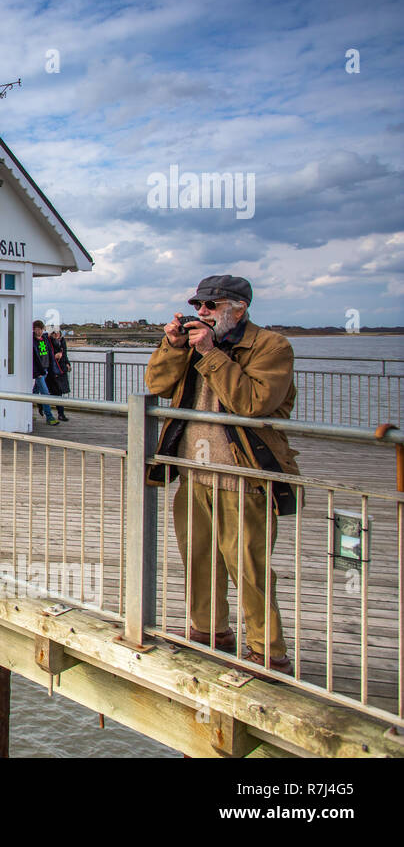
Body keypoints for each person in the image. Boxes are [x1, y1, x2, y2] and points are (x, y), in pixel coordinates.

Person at [144, 275, 299, 677]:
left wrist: (211, 353)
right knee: (197, 559)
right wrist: (173, 348)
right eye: (197, 307)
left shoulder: (271, 346)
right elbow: (157, 385)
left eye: (210, 307)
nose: (201, 314)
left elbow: (253, 403)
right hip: (194, 472)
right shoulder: (196, 345)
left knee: (248, 567)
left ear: (239, 308)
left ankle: (267, 652)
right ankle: (209, 633)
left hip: (242, 475)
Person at [31, 320, 61, 425]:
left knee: (34, 393)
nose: (38, 331)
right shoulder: (32, 341)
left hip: (46, 369)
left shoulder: (45, 339)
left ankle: (28, 412)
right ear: (34, 329)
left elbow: (51, 352)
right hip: (39, 371)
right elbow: (33, 358)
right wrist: (36, 372)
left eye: (40, 329)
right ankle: (49, 417)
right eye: (37, 329)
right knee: (45, 393)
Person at [47, 329, 71, 421]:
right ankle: (45, 410)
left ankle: (60, 414)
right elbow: (45, 355)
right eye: (54, 333)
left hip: (61, 370)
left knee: (58, 393)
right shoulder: (48, 341)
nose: (56, 334)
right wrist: (54, 357)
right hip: (52, 371)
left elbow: (65, 355)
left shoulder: (62, 341)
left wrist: (68, 363)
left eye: (58, 332)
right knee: (49, 393)